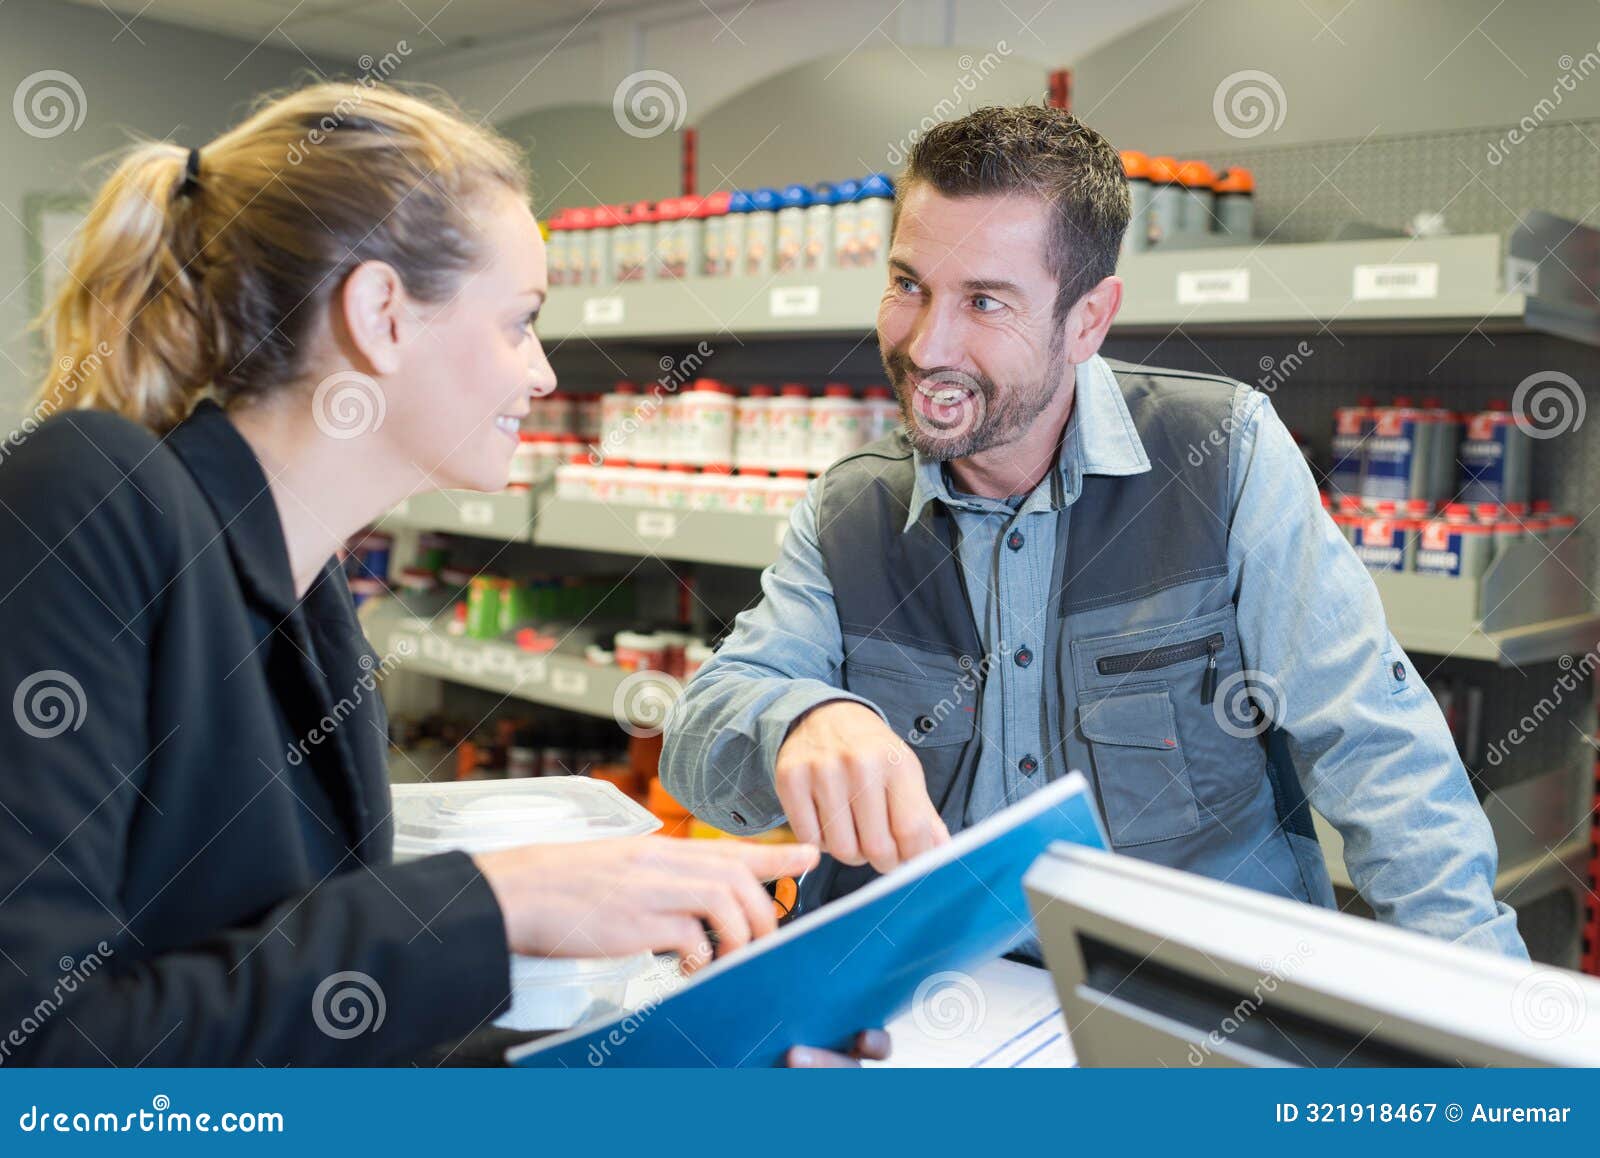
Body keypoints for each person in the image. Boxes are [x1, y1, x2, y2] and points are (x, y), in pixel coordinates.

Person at [0, 83, 887, 1066]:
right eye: (519, 321)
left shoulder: (313, 602)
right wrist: (493, 906)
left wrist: (679, 1059)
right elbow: (42, 1060)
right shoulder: (84, 495)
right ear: (381, 313)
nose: (542, 373)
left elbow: (300, 1033)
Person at [660, 105, 1527, 960]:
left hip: (1186, 1019)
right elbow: (698, 741)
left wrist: (1488, 1024)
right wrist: (798, 717)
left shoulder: (1223, 457)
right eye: (908, 285)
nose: (928, 345)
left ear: (1088, 318)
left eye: (986, 302)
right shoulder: (849, 513)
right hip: (930, 1012)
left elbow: (1375, 742)